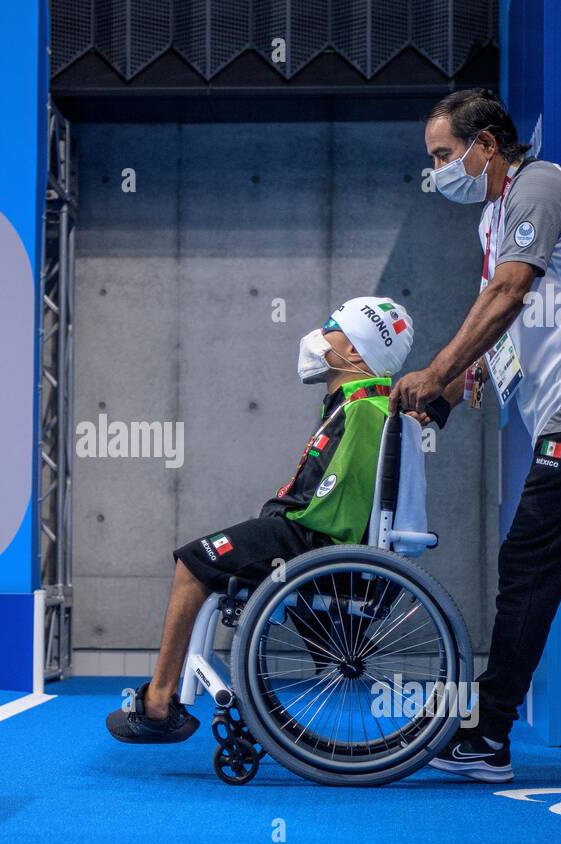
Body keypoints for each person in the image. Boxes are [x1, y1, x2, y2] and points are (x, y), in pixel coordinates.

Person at [392, 88, 561, 783]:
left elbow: (507, 295)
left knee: (527, 562)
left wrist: (434, 369)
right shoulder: (492, 218)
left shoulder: (537, 185)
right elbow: (502, 332)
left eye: (445, 155)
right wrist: (441, 400)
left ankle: (488, 734)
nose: (439, 169)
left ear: (486, 146)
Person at [106, 297, 416, 743]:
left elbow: (337, 508)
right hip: (308, 535)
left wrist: (281, 514)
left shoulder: (364, 409)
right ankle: (173, 693)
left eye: (330, 326)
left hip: (312, 540)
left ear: (352, 351)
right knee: (215, 562)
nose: (317, 335)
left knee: (194, 563)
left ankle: (158, 704)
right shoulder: (354, 403)